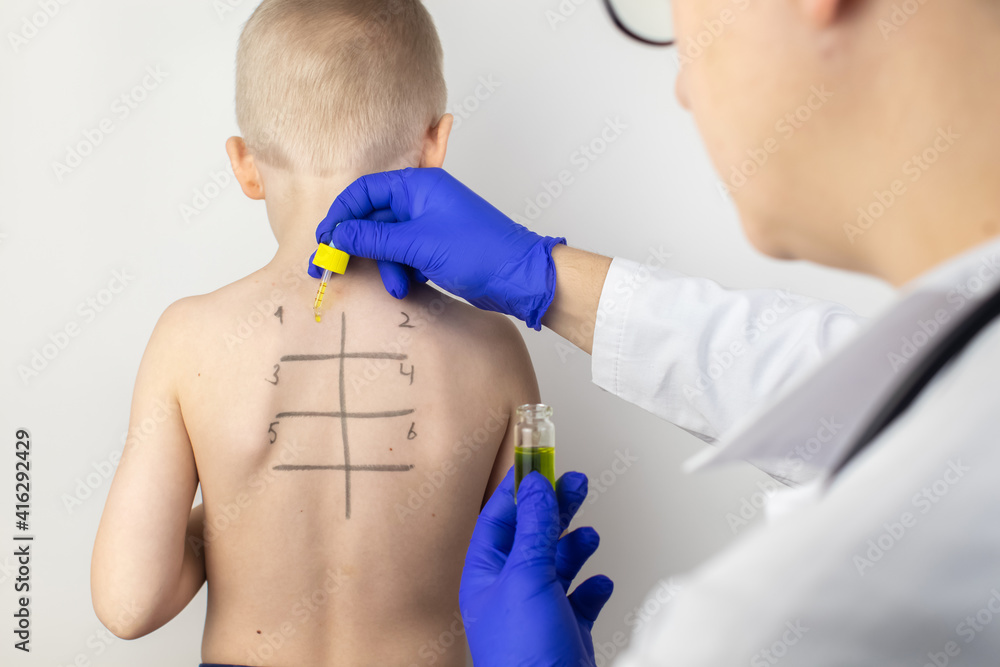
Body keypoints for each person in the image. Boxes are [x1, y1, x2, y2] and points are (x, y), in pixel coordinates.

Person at [311, 0, 1000, 663]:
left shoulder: (768, 626)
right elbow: (883, 389)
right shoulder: (967, 379)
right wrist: (542, 275)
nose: (682, 88)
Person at [89, 2, 540, 665]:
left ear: (245, 164)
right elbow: (529, 575)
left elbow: (130, 602)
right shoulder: (495, 350)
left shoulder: (189, 339)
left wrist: (232, 519)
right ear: (434, 146)